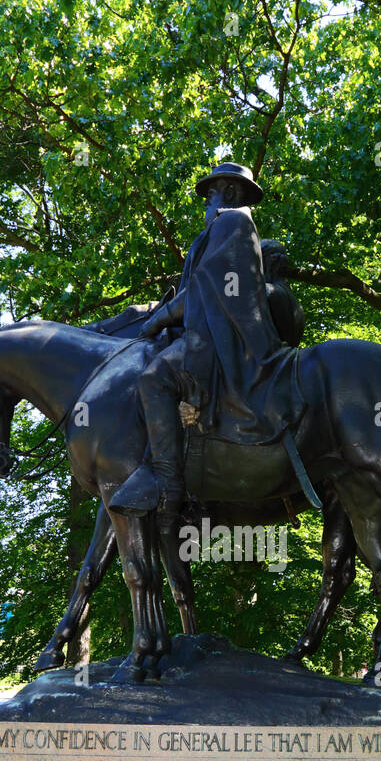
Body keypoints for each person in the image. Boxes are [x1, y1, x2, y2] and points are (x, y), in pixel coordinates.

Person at [109, 163, 304, 522]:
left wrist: (158, 319)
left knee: (154, 379)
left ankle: (167, 482)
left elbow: (202, 289)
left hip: (222, 337)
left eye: (208, 197)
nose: (205, 207)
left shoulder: (232, 222)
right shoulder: (228, 227)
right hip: (211, 329)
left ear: (228, 192)